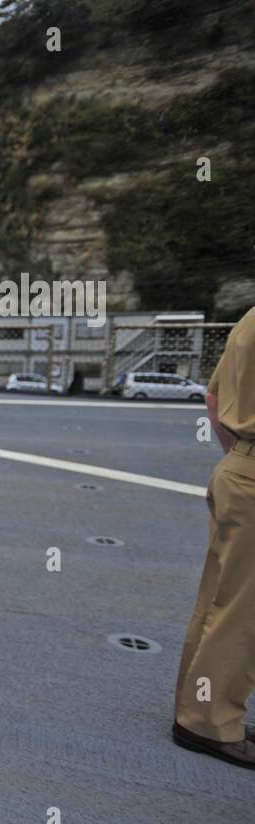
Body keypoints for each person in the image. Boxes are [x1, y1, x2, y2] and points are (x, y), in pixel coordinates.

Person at [172, 303, 255, 769]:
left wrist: (242, 456)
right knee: (244, 613)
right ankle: (210, 721)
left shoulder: (249, 320)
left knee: (218, 602)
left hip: (238, 469)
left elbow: (213, 399)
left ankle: (199, 708)